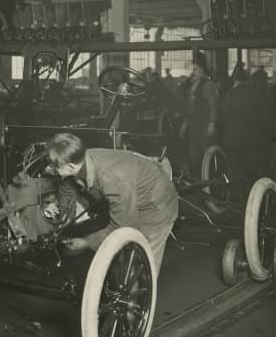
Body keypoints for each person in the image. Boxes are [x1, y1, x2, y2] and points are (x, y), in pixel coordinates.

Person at [46, 132, 179, 273]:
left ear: (71, 167)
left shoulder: (113, 179)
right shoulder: (80, 159)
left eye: (55, 166)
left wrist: (86, 242)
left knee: (138, 264)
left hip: (156, 205)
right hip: (129, 194)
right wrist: (65, 220)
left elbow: (122, 227)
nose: (50, 168)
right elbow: (67, 188)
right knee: (116, 254)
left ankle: (140, 293)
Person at [220, 67, 265, 190]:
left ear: (235, 80)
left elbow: (223, 112)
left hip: (233, 134)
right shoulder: (256, 92)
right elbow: (263, 114)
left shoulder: (230, 93)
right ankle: (252, 191)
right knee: (251, 164)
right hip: (252, 135)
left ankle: (236, 191)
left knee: (234, 164)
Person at [180, 57, 219, 175]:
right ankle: (197, 179)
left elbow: (214, 106)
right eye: (192, 70)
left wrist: (212, 124)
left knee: (207, 154)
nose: (193, 73)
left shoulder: (208, 85)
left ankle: (210, 179)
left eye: (195, 70)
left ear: (202, 72)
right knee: (194, 156)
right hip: (194, 126)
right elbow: (188, 109)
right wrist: (184, 126)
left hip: (204, 125)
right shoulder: (191, 87)